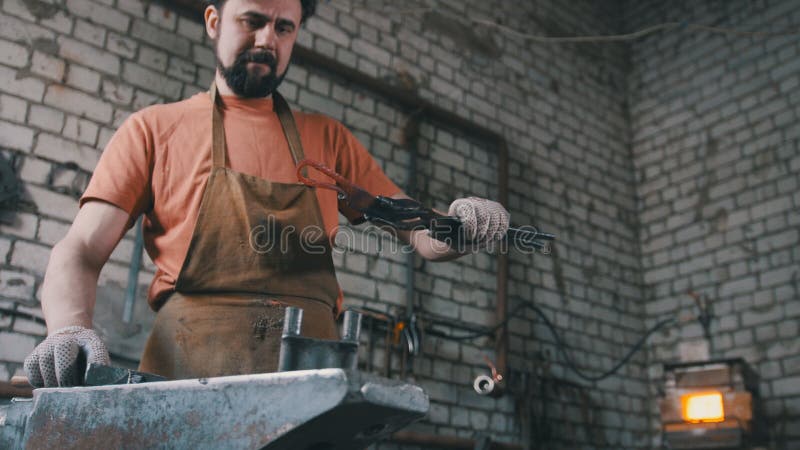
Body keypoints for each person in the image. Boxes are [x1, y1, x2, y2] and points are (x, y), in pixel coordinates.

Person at [22, 0, 510, 387]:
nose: (266, 40)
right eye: (251, 21)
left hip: (311, 380)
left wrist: (459, 226)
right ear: (214, 21)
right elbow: (82, 250)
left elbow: (418, 233)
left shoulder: (329, 141)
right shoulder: (154, 129)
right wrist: (68, 326)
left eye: (283, 28)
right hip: (187, 373)